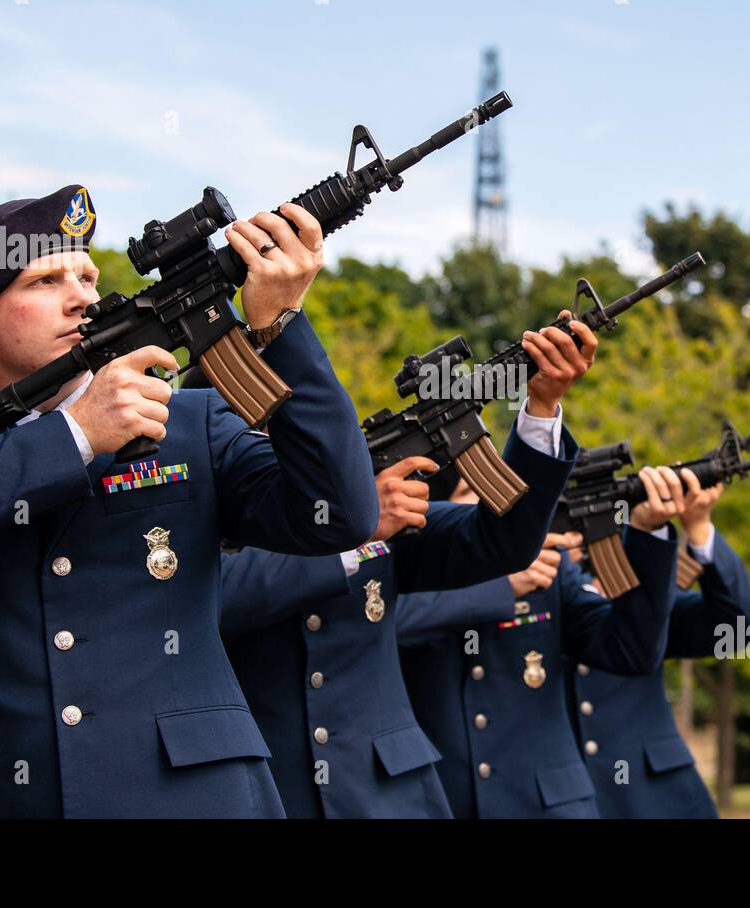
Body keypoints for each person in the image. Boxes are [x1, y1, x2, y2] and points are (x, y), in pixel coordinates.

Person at [0, 184, 379, 818]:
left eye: (88, 276)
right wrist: (74, 435)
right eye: (44, 281)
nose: (82, 297)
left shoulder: (194, 424)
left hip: (191, 799)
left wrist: (282, 327)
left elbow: (338, 514)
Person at [217, 314, 597, 817]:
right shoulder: (212, 521)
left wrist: (541, 407)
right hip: (271, 794)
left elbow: (502, 542)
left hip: (390, 795)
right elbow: (225, 597)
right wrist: (353, 528)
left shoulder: (364, 492)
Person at [395, 465, 685, 818]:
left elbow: (631, 651)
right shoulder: (410, 571)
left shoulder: (547, 561)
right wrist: (499, 586)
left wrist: (648, 532)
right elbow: (391, 621)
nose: (486, 512)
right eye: (469, 499)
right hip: (446, 805)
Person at [565, 470, 750, 818]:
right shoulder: (519, 597)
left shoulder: (639, 602)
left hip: (658, 797)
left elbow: (739, 628)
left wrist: (698, 527)